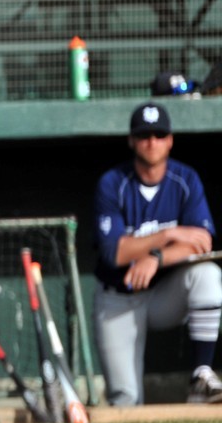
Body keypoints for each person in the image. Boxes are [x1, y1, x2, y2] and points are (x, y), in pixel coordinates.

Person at [92, 102, 222, 406]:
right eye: (144, 135)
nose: (152, 142)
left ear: (171, 139)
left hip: (164, 294)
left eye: (159, 135)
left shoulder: (185, 180)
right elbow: (115, 252)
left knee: (208, 274)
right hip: (118, 298)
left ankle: (201, 376)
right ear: (132, 140)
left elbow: (202, 243)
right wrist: (168, 235)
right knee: (126, 398)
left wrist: (156, 257)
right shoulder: (113, 183)